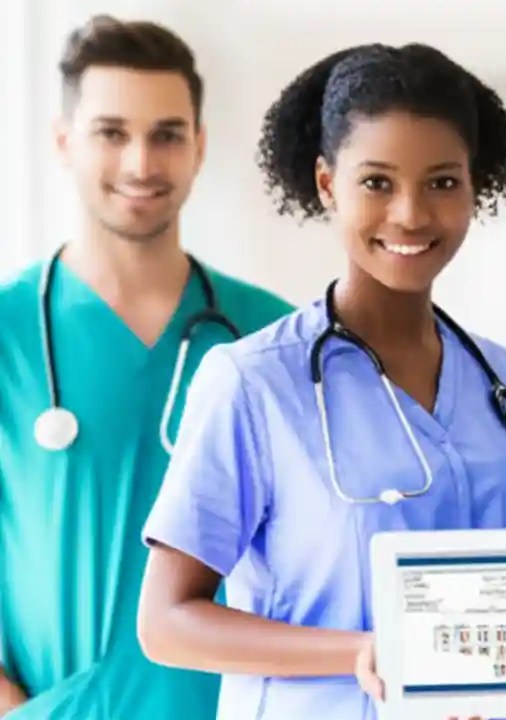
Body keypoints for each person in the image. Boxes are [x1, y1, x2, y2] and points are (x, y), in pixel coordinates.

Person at [135, 42, 506, 720]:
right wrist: (363, 649)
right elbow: (165, 622)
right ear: (328, 184)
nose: (412, 214)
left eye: (443, 181)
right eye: (377, 182)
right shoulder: (255, 384)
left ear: (476, 184)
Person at [0, 15, 293, 719]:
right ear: (64, 142)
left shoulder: (272, 335)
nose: (141, 162)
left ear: (198, 147)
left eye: (166, 134)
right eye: (111, 133)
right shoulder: (9, 335)